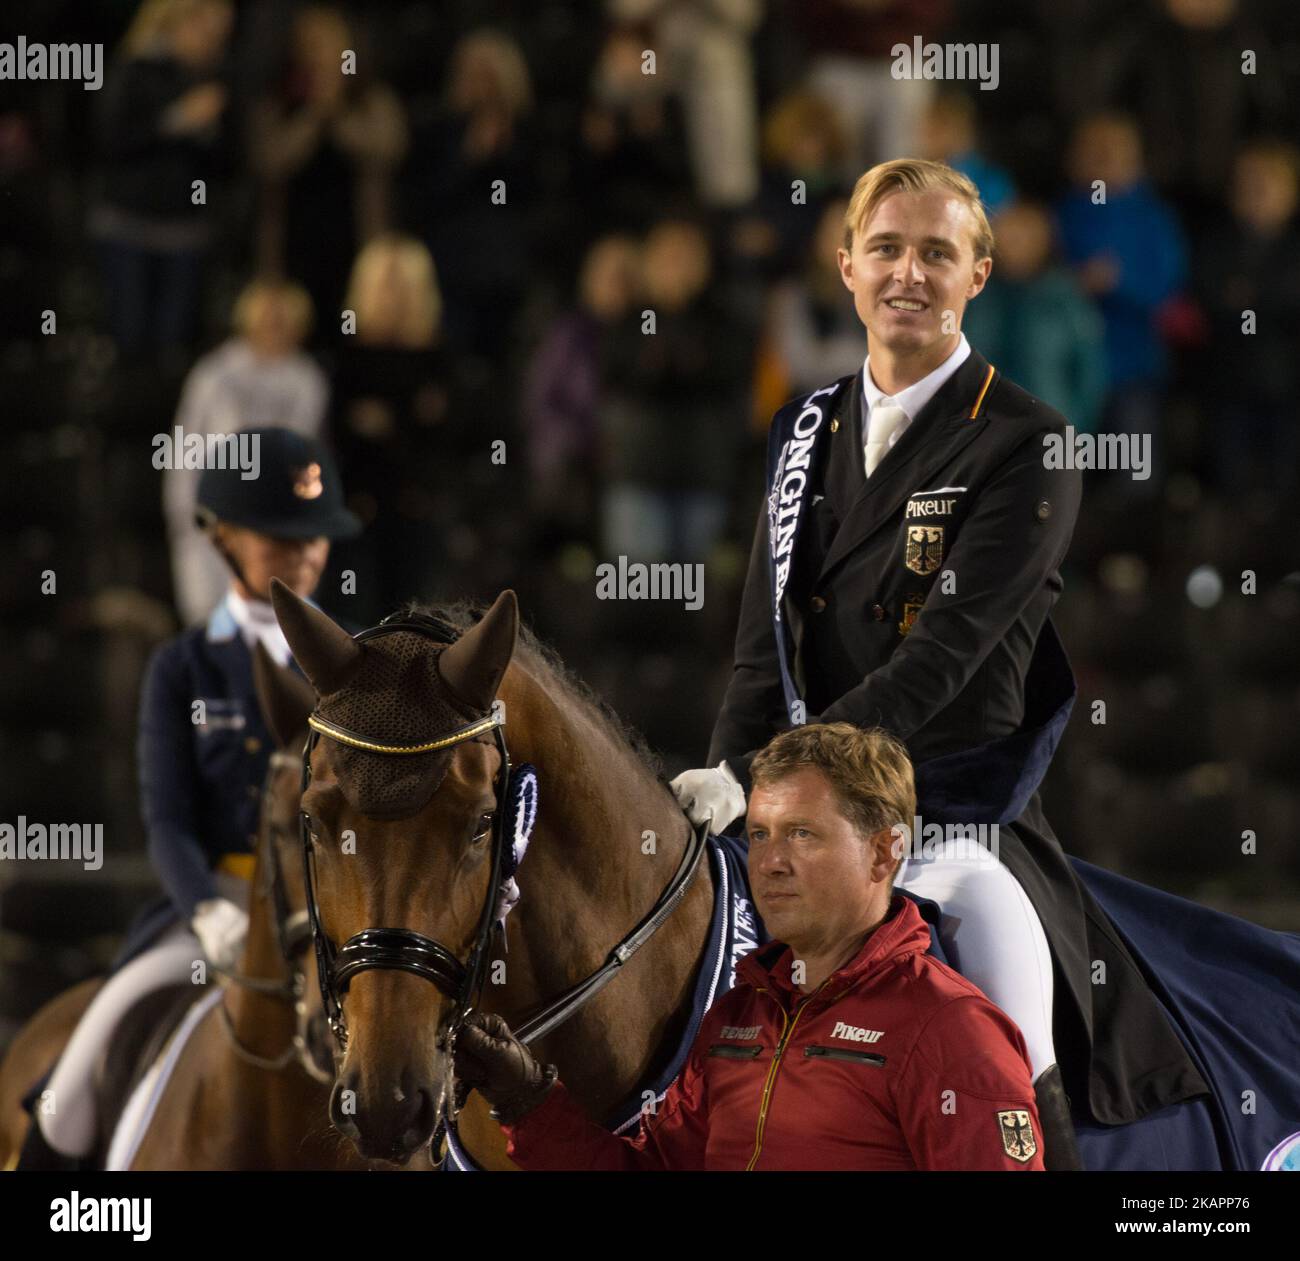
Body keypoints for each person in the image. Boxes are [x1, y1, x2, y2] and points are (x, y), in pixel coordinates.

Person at [669, 159, 1208, 1168]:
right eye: (885, 248)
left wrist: (757, 776)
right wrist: (721, 780)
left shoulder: (1028, 442)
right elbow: (759, 657)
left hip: (951, 817)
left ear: (976, 275)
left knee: (1009, 1011)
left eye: (935, 252)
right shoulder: (801, 430)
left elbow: (942, 661)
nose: (907, 273)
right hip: (791, 811)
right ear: (846, 266)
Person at [456, 724, 1046, 1170]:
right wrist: (525, 1098)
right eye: (760, 834)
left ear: (884, 853)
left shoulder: (951, 1029)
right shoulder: (737, 1019)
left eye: (802, 834)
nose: (769, 862)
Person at [15, 428, 359, 1170]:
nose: (305, 552)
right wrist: (205, 908)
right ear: (222, 537)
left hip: (339, 912)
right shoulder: (184, 667)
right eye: (280, 536)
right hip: (216, 913)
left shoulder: (359, 665)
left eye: (316, 536)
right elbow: (168, 820)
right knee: (85, 1060)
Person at [164, 277, 328, 623]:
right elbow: (187, 444)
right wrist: (183, 510)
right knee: (209, 618)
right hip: (216, 515)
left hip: (274, 520)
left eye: (282, 320)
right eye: (266, 317)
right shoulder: (215, 373)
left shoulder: (306, 379)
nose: (273, 327)